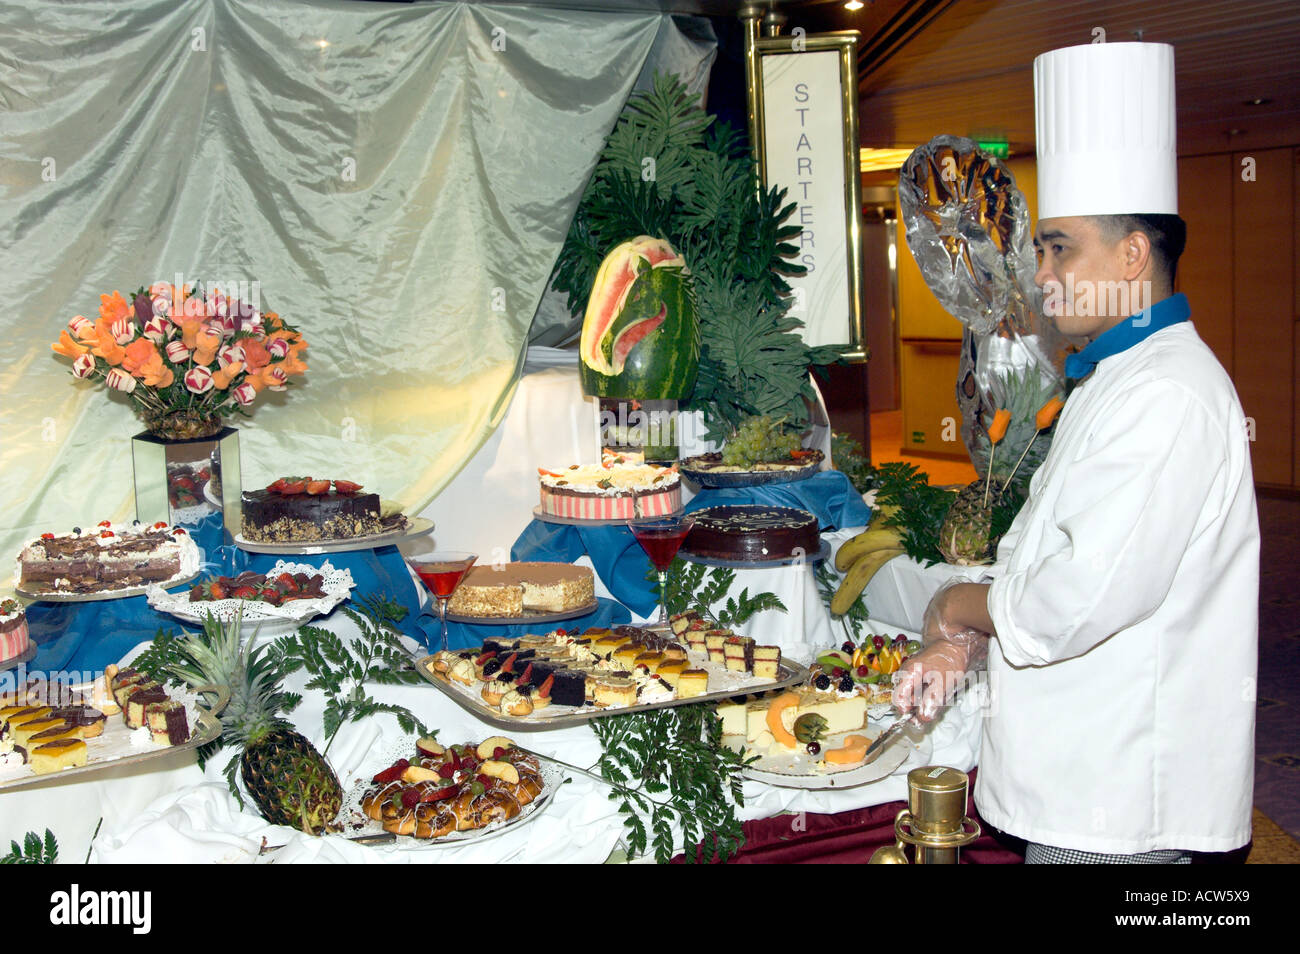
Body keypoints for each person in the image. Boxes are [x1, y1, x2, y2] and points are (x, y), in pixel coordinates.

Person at [894, 41, 1259, 864]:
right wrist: (975, 617)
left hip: (1122, 813)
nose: (1041, 273)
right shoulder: (1113, 378)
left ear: (1133, 257)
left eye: (1060, 248)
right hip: (1085, 786)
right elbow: (1042, 558)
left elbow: (1075, 599)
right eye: (1041, 251)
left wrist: (961, 607)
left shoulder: (1168, 393)